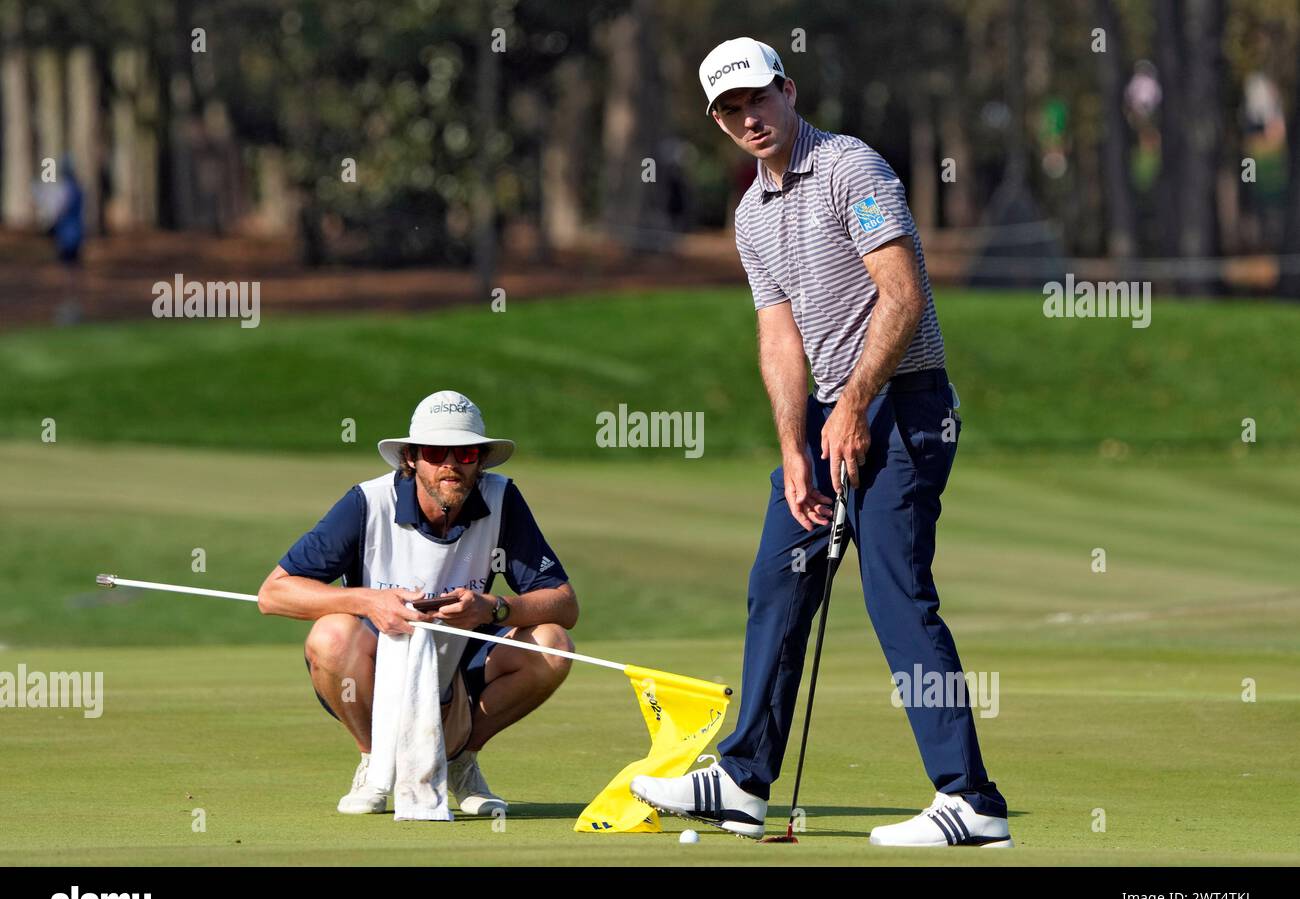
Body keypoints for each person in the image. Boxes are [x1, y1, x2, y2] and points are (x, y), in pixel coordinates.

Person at [632, 38, 1011, 847]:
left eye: (757, 100)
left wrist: (856, 403)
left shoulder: (852, 170)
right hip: (826, 416)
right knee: (778, 582)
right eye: (729, 111)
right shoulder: (749, 214)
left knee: (895, 593)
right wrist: (797, 445)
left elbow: (901, 295)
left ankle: (970, 799)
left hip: (902, 405)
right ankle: (742, 782)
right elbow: (778, 337)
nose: (748, 119)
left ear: (789, 90)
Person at [257, 390, 578, 816]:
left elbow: (564, 604)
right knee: (331, 633)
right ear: (411, 458)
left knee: (551, 644)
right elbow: (273, 593)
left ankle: (460, 761)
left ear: (480, 461)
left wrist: (495, 607)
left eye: (464, 454)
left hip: (465, 671)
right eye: (435, 451)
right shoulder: (367, 502)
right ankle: (376, 762)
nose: (450, 463)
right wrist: (370, 601)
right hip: (379, 669)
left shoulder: (502, 500)